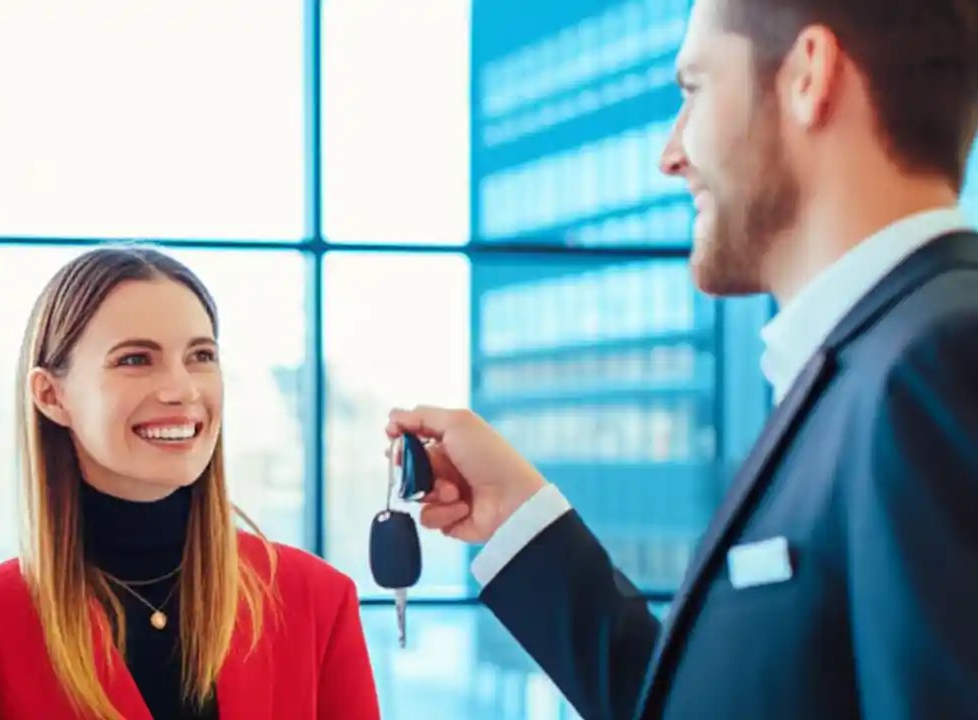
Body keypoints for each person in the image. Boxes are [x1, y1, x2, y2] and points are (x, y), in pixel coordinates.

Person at [386, 0, 978, 717]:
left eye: (694, 89)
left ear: (807, 76)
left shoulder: (938, 363)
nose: (670, 154)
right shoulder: (868, 366)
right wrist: (516, 515)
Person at [0, 246, 380, 720]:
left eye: (200, 356)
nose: (182, 390)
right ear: (51, 395)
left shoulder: (315, 600)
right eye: (135, 359)